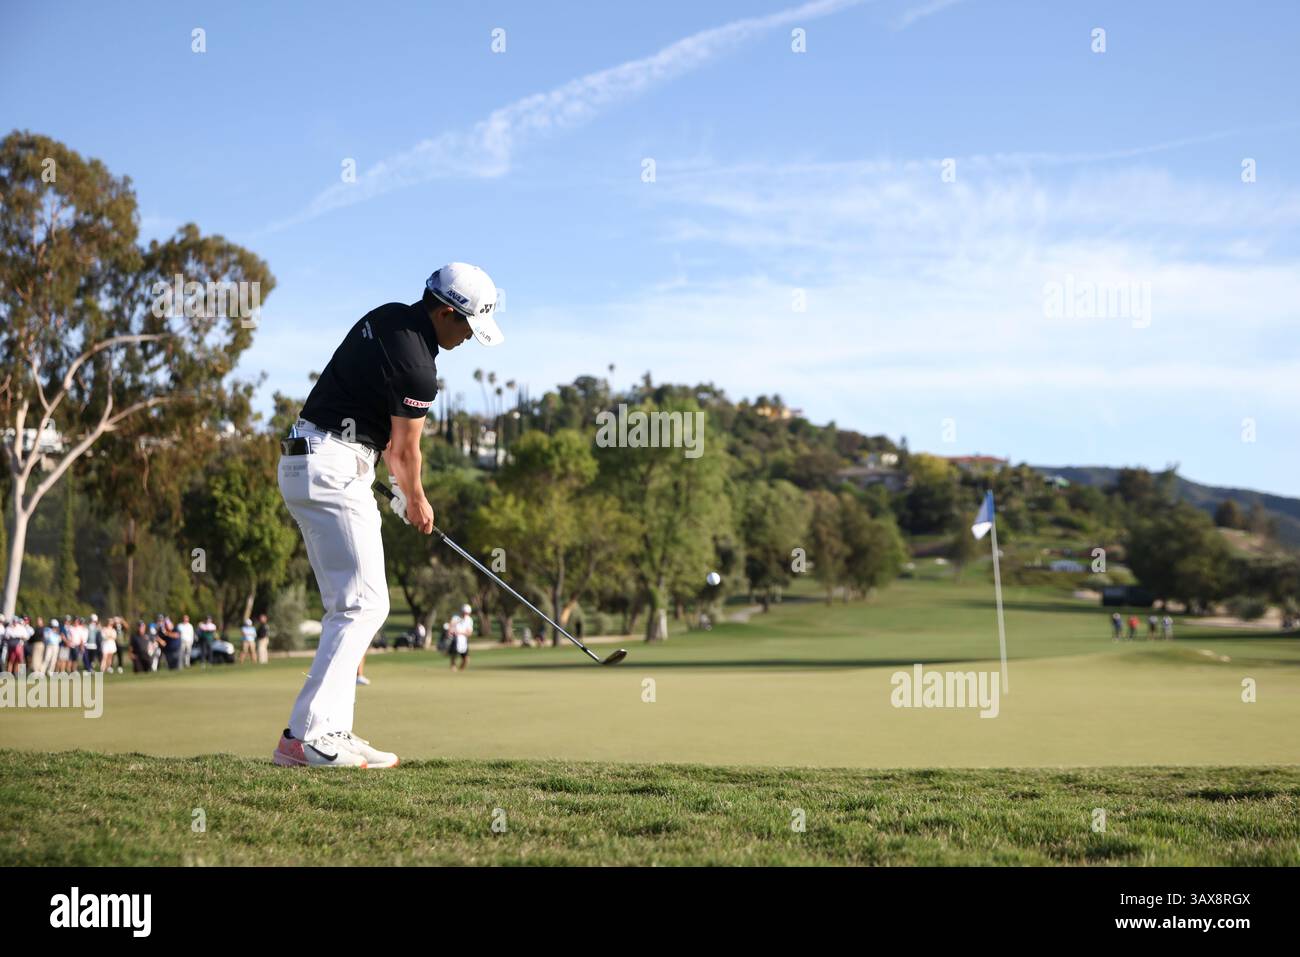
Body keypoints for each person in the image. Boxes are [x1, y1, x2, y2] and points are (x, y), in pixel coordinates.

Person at [271, 262, 501, 770]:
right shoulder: (420, 368)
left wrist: (393, 486)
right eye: (465, 327)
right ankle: (305, 737)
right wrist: (416, 501)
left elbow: (373, 430)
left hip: (312, 461)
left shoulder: (389, 316)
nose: (466, 338)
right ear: (445, 313)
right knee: (366, 605)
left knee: (348, 605)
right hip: (333, 466)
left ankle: (332, 730)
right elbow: (404, 452)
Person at [450, 603, 473, 671]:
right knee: (454, 655)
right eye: (464, 612)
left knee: (466, 659)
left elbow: (469, 633)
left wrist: (460, 632)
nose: (465, 614)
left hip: (464, 641)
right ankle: (453, 667)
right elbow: (451, 626)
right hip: (455, 639)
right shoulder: (456, 617)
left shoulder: (469, 620)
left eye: (467, 613)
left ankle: (461, 670)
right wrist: (452, 630)